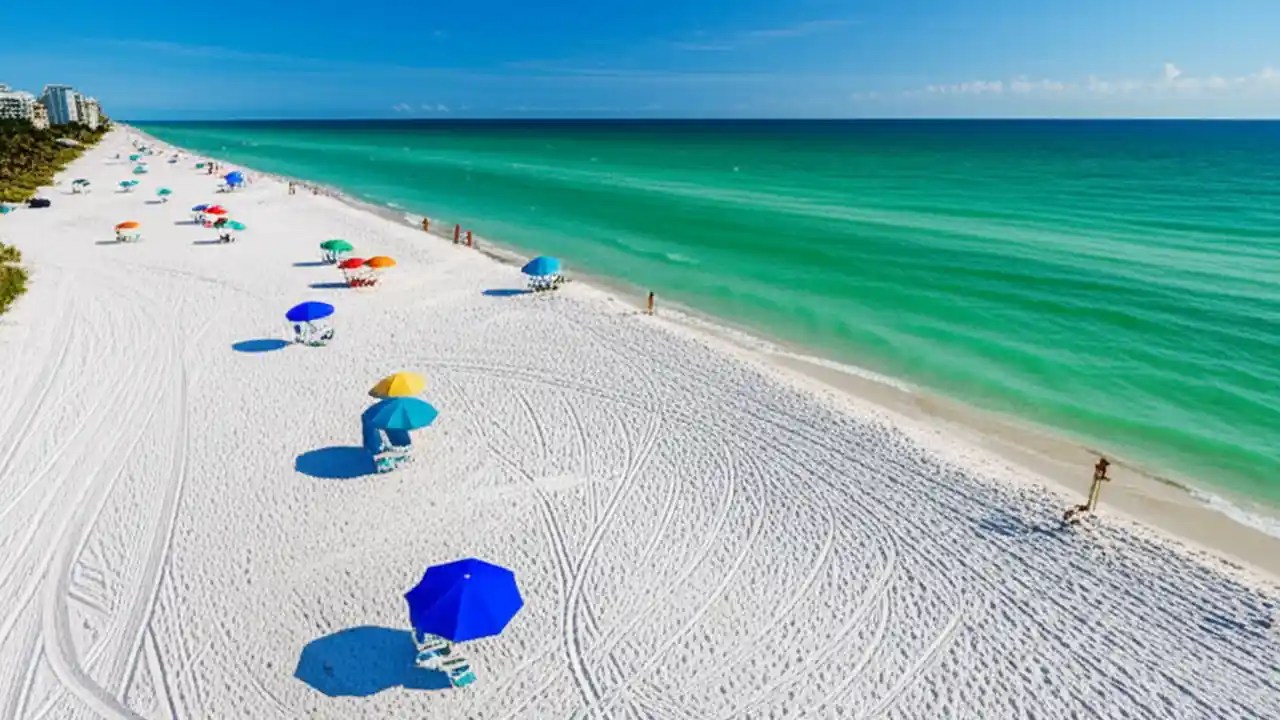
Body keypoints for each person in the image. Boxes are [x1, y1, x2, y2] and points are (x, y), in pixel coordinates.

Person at [1063, 456, 1111, 524]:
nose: (1104, 466)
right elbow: (1097, 475)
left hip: (1096, 481)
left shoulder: (1103, 469)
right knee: (1091, 495)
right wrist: (1102, 478)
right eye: (1104, 464)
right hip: (1095, 481)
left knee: (1092, 496)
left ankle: (1086, 507)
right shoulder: (1098, 466)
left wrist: (1104, 478)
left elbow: (1101, 476)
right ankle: (1084, 507)